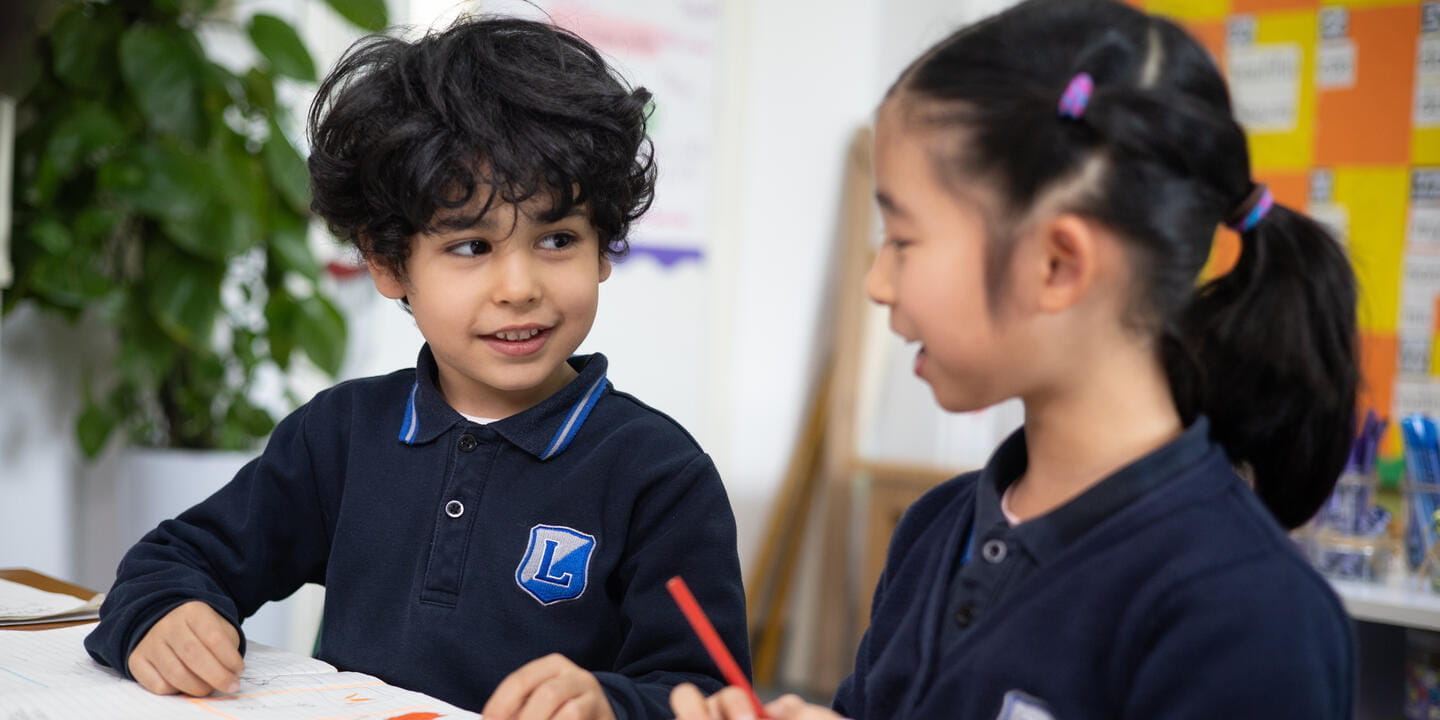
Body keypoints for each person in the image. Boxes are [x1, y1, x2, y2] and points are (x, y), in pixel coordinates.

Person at [674, 0, 1356, 718]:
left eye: (903, 240)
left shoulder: (1248, 615)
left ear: (1058, 263)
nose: (877, 283)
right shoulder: (937, 529)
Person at [85, 16, 750, 720]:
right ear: (387, 262)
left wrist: (609, 705)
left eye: (557, 238)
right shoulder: (339, 435)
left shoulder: (659, 476)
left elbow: (711, 697)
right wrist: (163, 614)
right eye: (470, 247)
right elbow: (177, 560)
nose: (519, 286)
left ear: (604, 246)